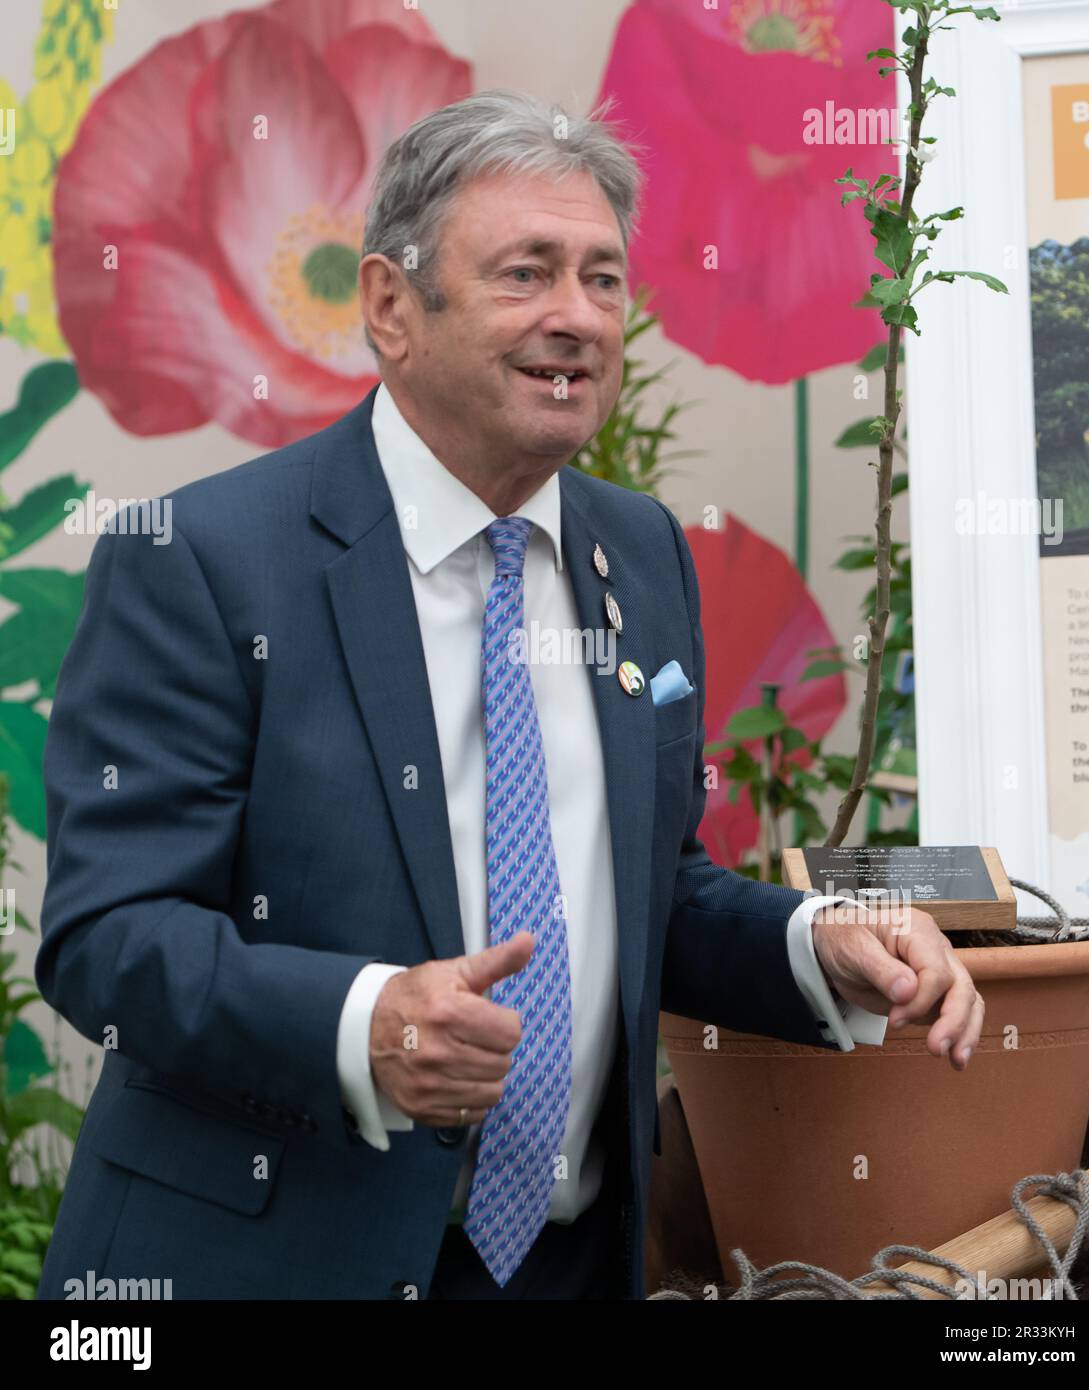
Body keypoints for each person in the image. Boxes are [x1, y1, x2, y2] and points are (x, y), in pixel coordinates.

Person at [35, 90, 983, 1301]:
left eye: (602, 279)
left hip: (568, 1265)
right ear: (391, 305)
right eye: (527, 273)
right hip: (272, 1262)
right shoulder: (209, 558)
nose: (577, 318)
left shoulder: (642, 551)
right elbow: (107, 936)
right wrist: (364, 1023)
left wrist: (819, 947)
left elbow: (647, 891)